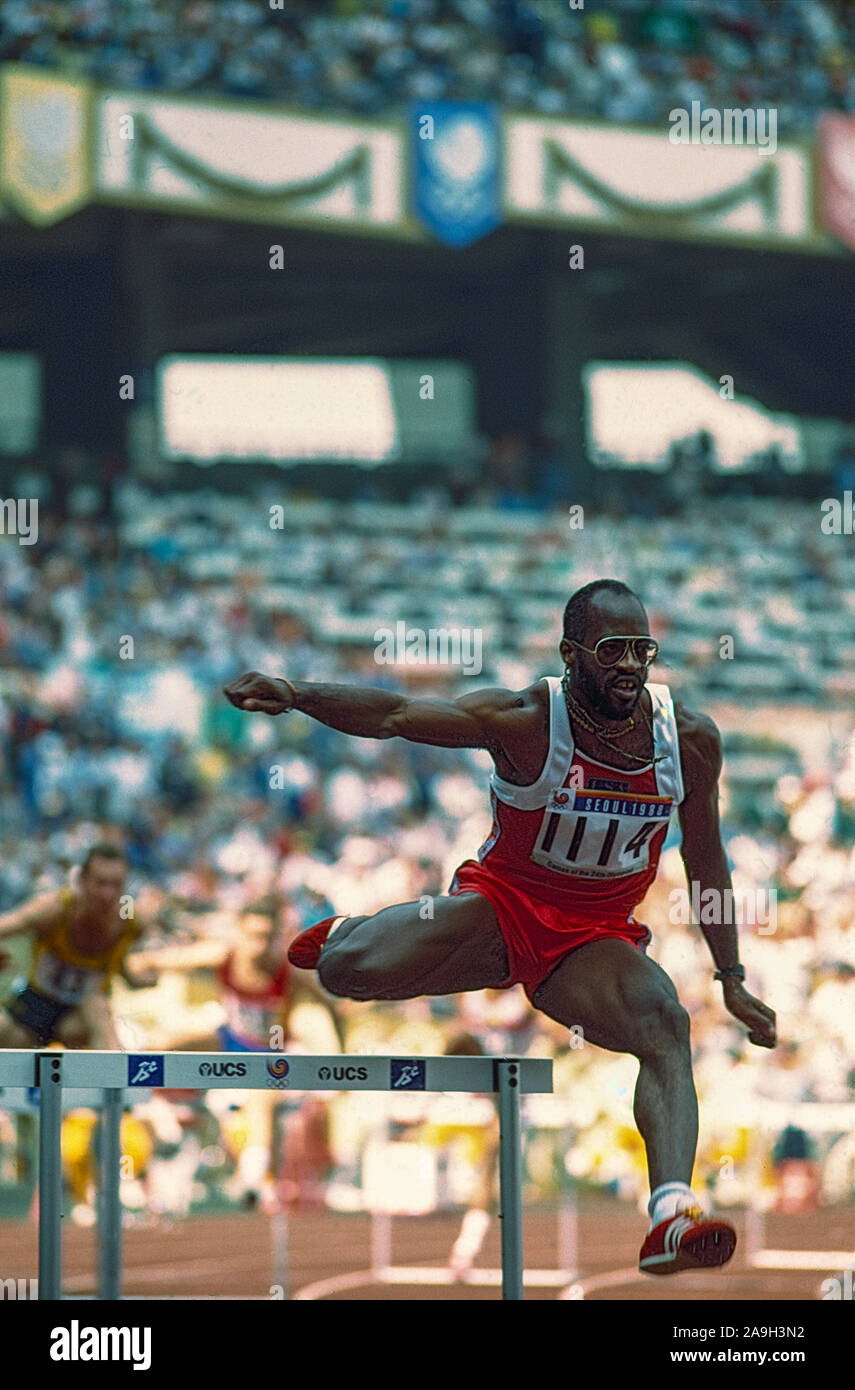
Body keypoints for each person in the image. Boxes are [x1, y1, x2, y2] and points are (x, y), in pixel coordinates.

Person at [223, 578, 777, 1275]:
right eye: (612, 651)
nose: (630, 665)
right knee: (344, 973)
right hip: (503, 909)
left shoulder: (687, 740)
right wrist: (297, 693)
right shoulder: (525, 720)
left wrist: (730, 977)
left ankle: (669, 1214)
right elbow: (396, 714)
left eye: (642, 649)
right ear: (571, 654)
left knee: (664, 1022)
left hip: (591, 940)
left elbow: (704, 856)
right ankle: (344, 934)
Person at [0, 843, 158, 1049]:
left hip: (78, 1021)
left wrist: (139, 979)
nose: (107, 895)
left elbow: (119, 956)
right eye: (100, 883)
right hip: (35, 1010)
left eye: (116, 885)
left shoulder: (129, 916)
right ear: (82, 881)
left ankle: (114, 1077)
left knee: (95, 1005)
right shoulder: (56, 907)